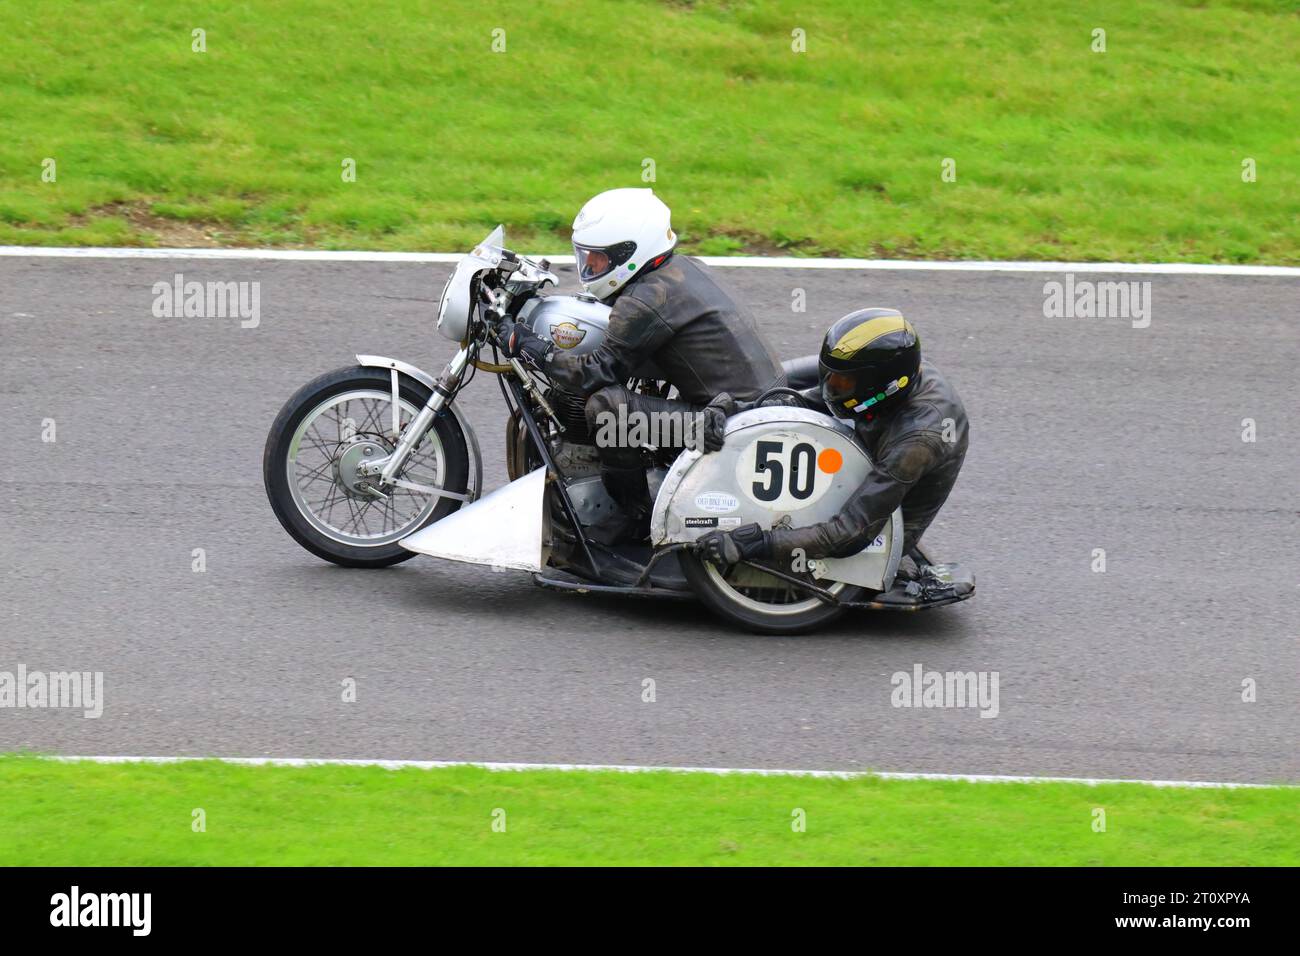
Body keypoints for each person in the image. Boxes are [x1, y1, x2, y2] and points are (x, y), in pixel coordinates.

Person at [501, 187, 786, 536]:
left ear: (630, 254)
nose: (589, 268)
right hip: (752, 410)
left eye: (598, 260)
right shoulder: (680, 269)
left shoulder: (647, 299)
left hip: (728, 427)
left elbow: (592, 373)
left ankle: (638, 518)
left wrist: (530, 345)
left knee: (607, 409)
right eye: (586, 258)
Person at [697, 308, 969, 577]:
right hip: (869, 459)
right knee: (781, 394)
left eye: (844, 381)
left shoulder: (916, 442)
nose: (832, 387)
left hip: (874, 529)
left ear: (881, 387)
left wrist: (759, 543)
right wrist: (732, 408)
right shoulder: (885, 385)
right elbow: (795, 394)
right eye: (830, 376)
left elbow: (850, 533)